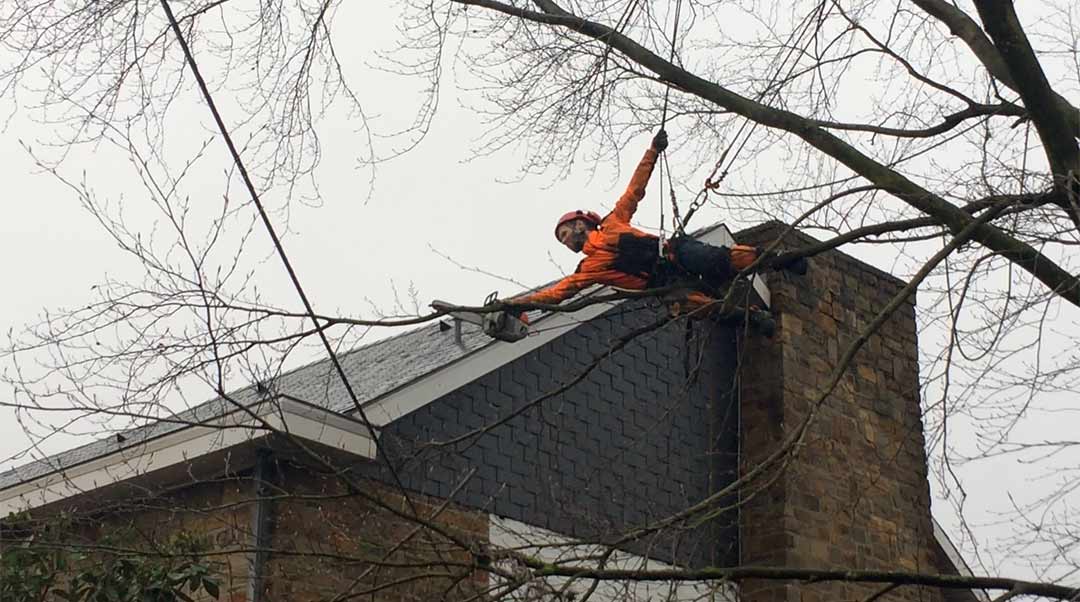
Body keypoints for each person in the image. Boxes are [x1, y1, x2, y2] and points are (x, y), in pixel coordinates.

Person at [511, 129, 806, 311]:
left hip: (673, 253)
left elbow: (635, 189)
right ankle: (748, 318)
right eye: (561, 239)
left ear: (580, 225)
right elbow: (557, 294)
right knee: (691, 306)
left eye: (564, 233)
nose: (565, 240)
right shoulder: (588, 269)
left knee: (715, 259)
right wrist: (515, 305)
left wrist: (652, 151)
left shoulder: (613, 223)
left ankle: (779, 259)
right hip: (663, 281)